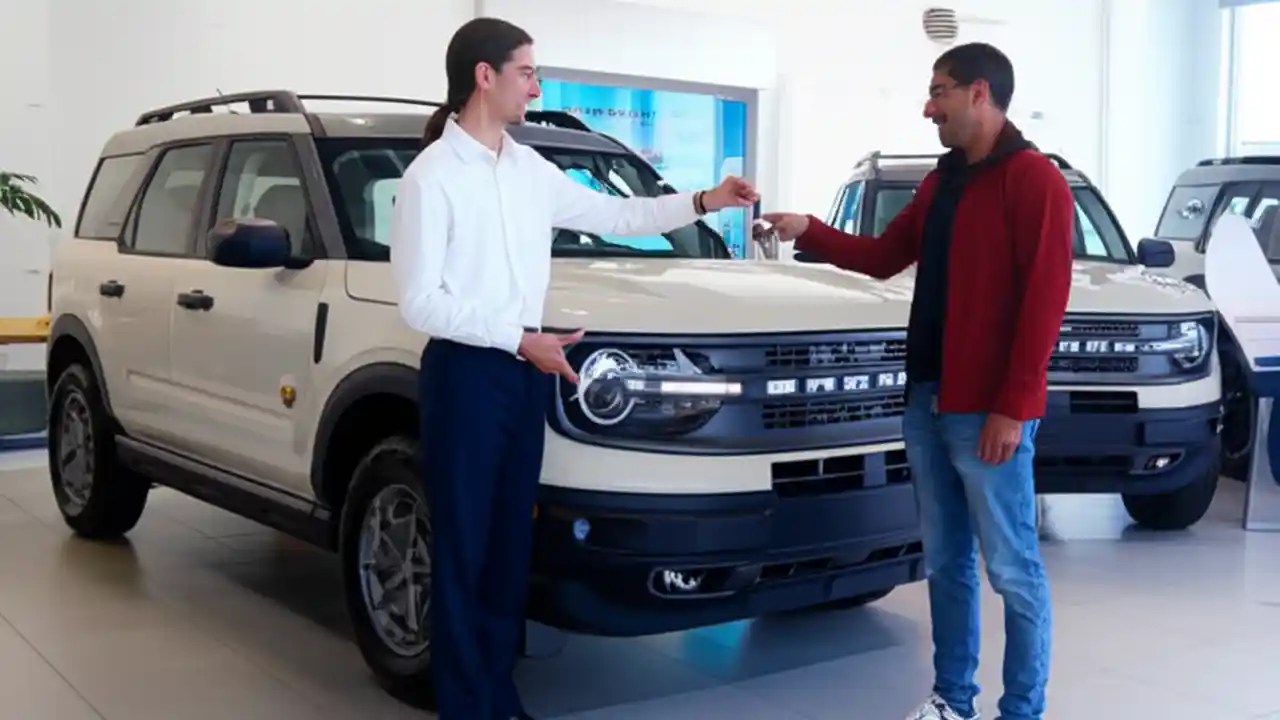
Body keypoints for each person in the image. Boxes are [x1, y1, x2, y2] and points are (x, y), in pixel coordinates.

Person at [388, 17, 758, 720]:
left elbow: (621, 214)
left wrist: (706, 199)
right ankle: (466, 706)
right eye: (526, 71)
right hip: (466, 377)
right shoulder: (431, 176)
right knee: (465, 547)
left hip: (522, 376)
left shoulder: (530, 170)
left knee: (507, 546)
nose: (537, 83)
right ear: (484, 76)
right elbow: (420, 303)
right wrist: (517, 338)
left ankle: (497, 694)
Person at [763, 43, 1073, 720]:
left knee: (1013, 572)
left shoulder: (1035, 182)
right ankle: (952, 700)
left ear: (981, 94)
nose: (928, 106)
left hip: (987, 412)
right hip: (927, 402)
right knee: (946, 565)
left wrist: (1012, 409)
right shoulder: (941, 183)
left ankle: (1022, 710)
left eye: (940, 91)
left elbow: (1044, 305)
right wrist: (807, 228)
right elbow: (881, 257)